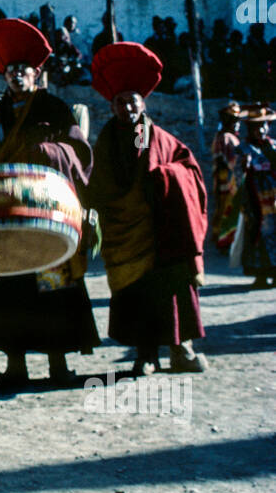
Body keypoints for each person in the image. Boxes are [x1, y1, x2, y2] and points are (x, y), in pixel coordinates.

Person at [0, 19, 99, 387]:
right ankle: (16, 365)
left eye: (24, 69)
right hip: (7, 215)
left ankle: (58, 363)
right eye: (10, 70)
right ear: (3, 75)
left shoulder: (54, 108)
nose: (17, 76)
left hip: (47, 212)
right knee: (10, 286)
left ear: (36, 73)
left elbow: (79, 152)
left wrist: (45, 151)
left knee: (53, 285)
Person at [87, 42, 208, 376]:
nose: (127, 107)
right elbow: (97, 184)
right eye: (120, 102)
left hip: (162, 230)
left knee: (170, 292)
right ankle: (146, 354)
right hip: (125, 234)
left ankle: (182, 350)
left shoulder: (163, 140)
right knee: (135, 295)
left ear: (144, 102)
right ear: (111, 106)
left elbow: (190, 172)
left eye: (132, 101)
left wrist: (167, 178)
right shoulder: (107, 141)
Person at [231, 104, 276, 288]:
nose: (262, 130)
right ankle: (260, 274)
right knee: (257, 236)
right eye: (257, 127)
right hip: (254, 200)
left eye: (264, 125)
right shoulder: (242, 149)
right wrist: (243, 167)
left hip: (273, 199)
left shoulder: (273, 146)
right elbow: (236, 176)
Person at [211, 102, 243, 252]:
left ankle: (225, 237)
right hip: (226, 180)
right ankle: (224, 240)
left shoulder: (229, 137)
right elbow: (229, 161)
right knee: (226, 209)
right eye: (235, 122)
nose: (238, 125)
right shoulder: (225, 138)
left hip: (229, 179)